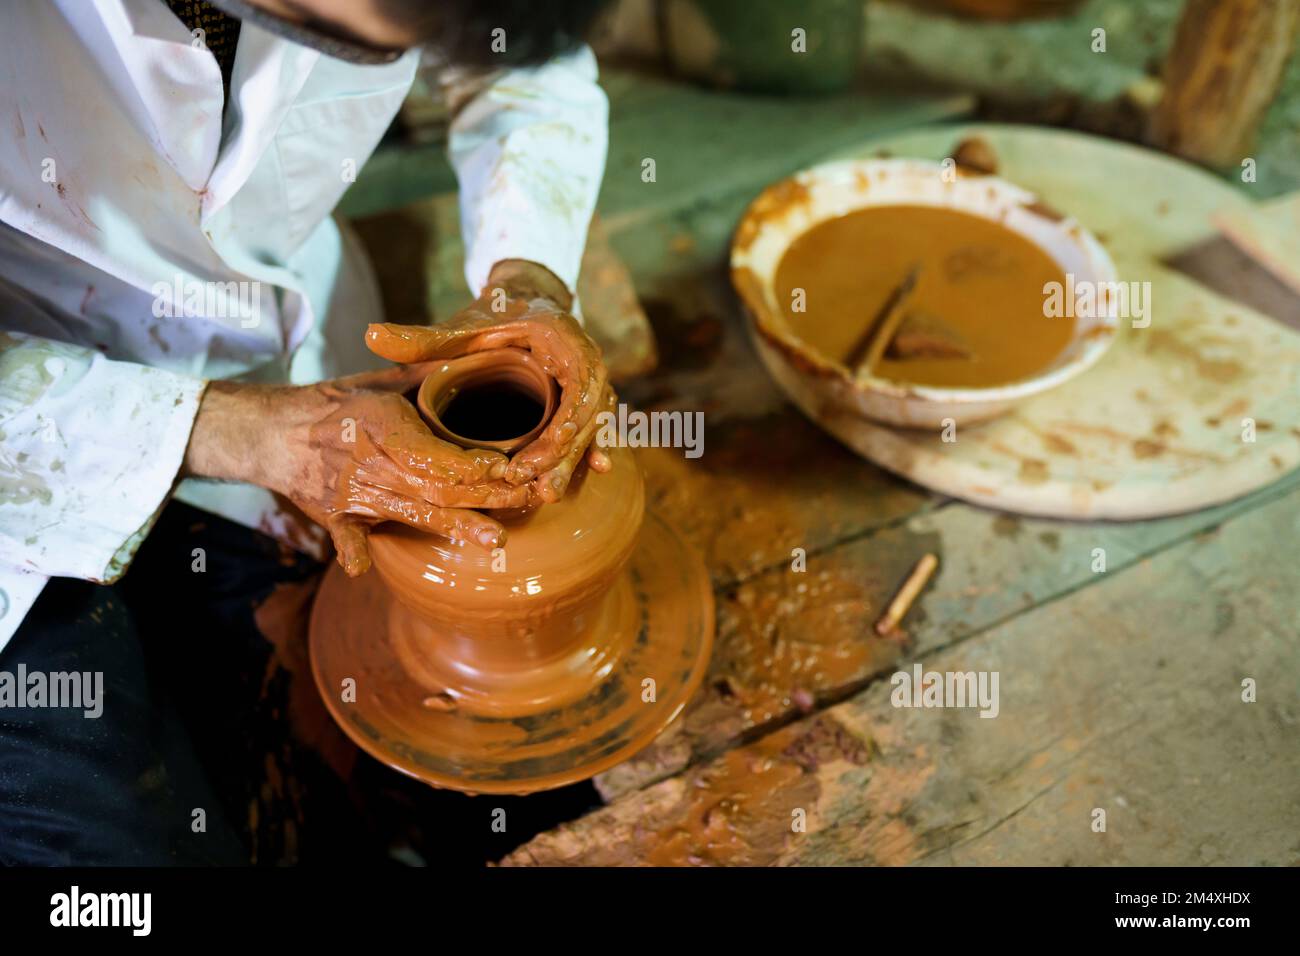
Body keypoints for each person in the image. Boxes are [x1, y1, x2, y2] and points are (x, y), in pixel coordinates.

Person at [0, 0, 612, 863]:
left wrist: (529, 269)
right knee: (124, 857)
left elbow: (513, 59)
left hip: (289, 328)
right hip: (30, 437)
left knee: (432, 759)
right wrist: (228, 432)